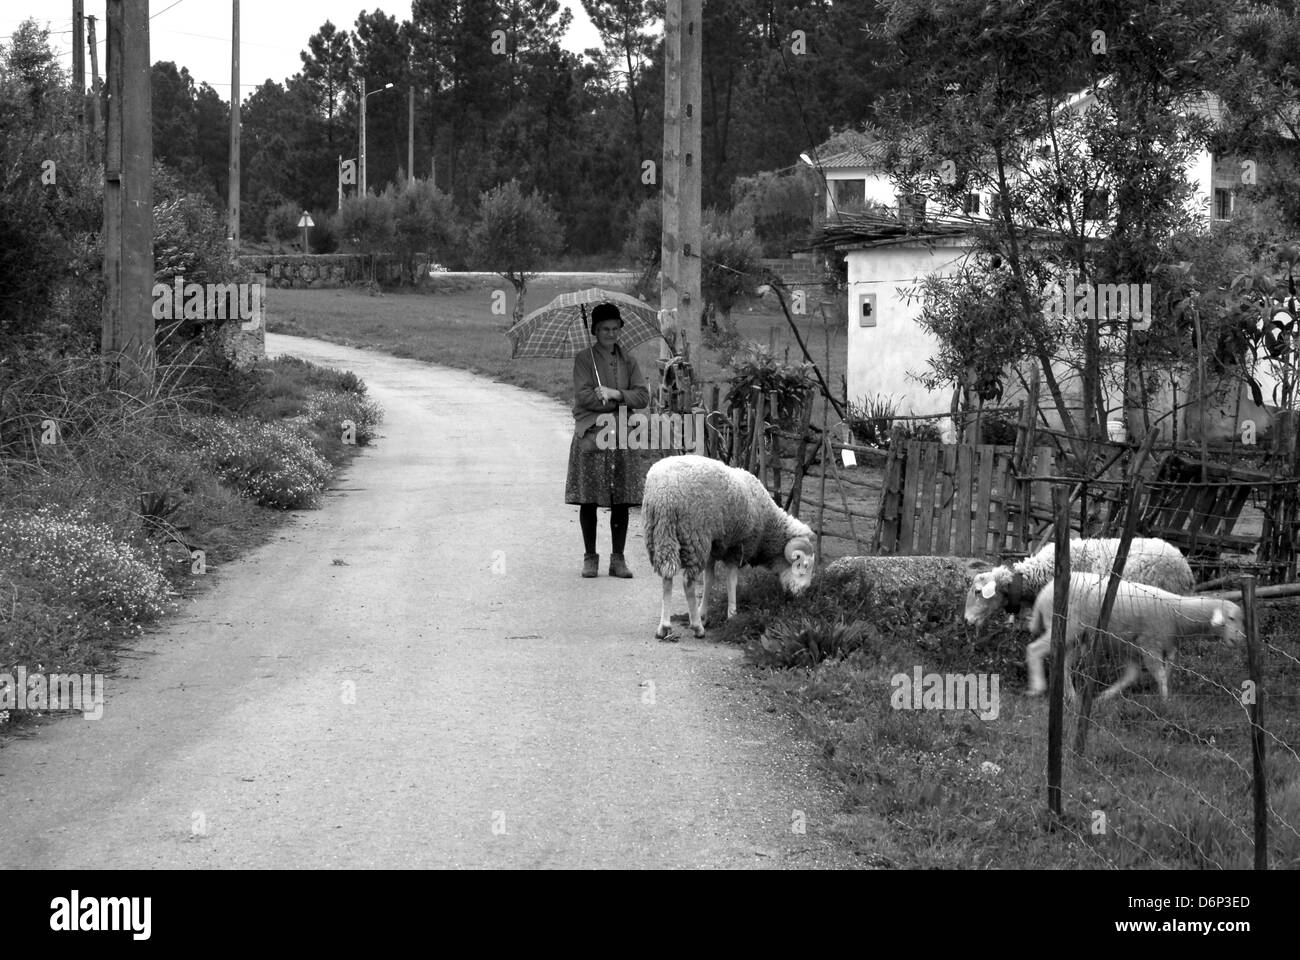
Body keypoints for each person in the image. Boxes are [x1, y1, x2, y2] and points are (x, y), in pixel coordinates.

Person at [566, 302, 650, 578]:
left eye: (615, 328)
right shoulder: (584, 360)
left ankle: (618, 559)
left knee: (621, 499)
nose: (610, 334)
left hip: (622, 435)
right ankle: (590, 557)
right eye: (604, 329)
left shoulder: (630, 361)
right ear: (595, 330)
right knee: (588, 497)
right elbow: (584, 397)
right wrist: (617, 405)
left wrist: (614, 394)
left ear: (620, 330)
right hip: (592, 434)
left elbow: (642, 396)